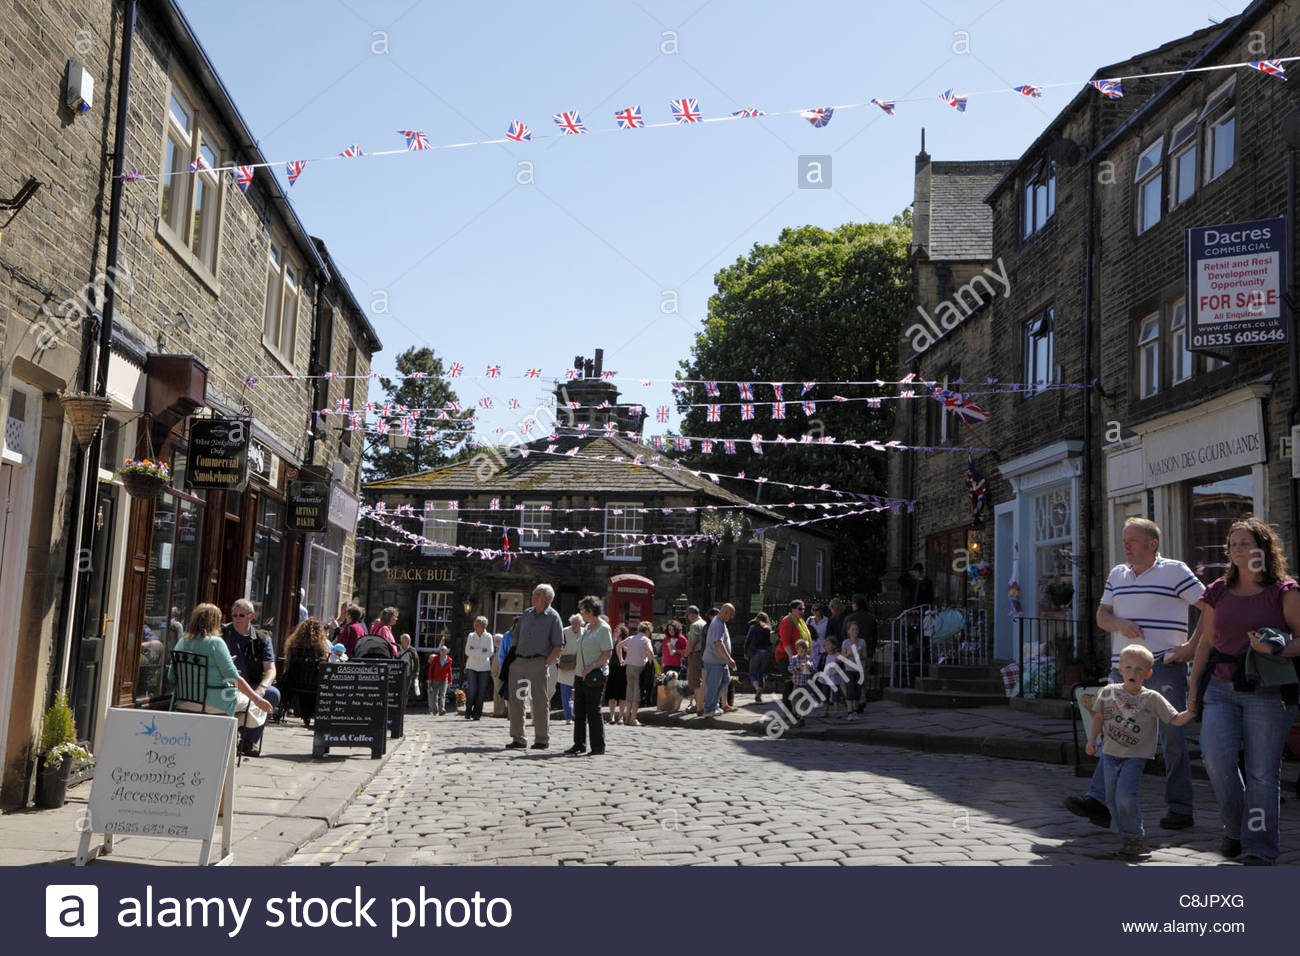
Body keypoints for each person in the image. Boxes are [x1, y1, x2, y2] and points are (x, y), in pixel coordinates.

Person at [1065, 517, 1208, 833]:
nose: (1125, 546)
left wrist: (1191, 647)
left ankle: (1180, 809)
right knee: (1117, 737)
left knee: (1172, 739)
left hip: (1163, 667)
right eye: (1124, 540)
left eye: (1132, 540)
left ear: (1152, 544)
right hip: (1122, 670)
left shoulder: (1175, 571)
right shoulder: (1118, 574)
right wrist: (1119, 625)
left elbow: (1210, 608)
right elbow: (1102, 615)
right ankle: (1099, 801)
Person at [1188, 517, 1300, 865]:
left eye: (1246, 544)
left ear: (1263, 550)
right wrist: (1193, 693)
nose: (1238, 550)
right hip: (1220, 688)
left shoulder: (1284, 590)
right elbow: (1205, 643)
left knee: (1262, 772)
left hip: (1266, 690)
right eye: (1233, 544)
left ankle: (1258, 847)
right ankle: (1237, 828)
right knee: (1216, 758)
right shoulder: (1218, 589)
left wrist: (1275, 649)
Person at [1087, 644, 1196, 861]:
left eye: (1139, 669)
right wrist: (1092, 741)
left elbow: (1174, 719)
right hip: (1110, 754)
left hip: (1135, 757)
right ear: (1120, 669)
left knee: (1126, 796)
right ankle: (1127, 837)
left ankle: (1135, 837)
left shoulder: (1153, 698)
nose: (1133, 673)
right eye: (1128, 668)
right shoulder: (1109, 693)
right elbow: (1098, 718)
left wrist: (1192, 710)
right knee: (1111, 799)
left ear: (1148, 673)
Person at [173, 603, 272, 719]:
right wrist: (258, 699)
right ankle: (237, 735)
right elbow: (234, 678)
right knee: (255, 707)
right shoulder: (215, 642)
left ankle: (229, 733)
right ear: (215, 622)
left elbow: (171, 676)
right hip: (215, 702)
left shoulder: (182, 642)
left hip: (184, 702)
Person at [506, 584, 565, 750]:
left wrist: (545, 664)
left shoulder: (554, 617)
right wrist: (513, 658)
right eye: (533, 594)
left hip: (538, 662)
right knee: (515, 700)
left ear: (547, 599)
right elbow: (516, 637)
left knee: (539, 702)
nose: (533, 597)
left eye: (537, 594)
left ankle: (541, 739)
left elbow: (558, 645)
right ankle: (518, 738)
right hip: (519, 662)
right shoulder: (526, 614)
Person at [220, 598, 279, 756]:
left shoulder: (262, 639)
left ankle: (247, 742)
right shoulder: (222, 634)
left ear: (251, 616)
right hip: (226, 684)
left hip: (251, 685)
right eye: (234, 615)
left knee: (272, 694)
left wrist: (262, 687)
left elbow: (271, 669)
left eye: (241, 615)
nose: (236, 619)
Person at [566, 595, 614, 756]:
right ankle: (579, 744)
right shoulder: (586, 628)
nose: (581, 613)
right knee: (579, 711)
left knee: (594, 711)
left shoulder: (603, 628)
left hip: (594, 675)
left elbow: (607, 653)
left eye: (583, 610)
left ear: (591, 611)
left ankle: (598, 746)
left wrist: (592, 667)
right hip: (580, 674)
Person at [282, 617, 330, 723]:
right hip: (314, 685)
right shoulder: (320, 650)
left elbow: (288, 663)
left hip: (294, 682)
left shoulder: (294, 646)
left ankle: (288, 708)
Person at [618, 621, 655, 726]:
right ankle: (633, 719)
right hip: (639, 669)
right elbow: (651, 652)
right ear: (647, 631)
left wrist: (622, 659)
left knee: (629, 693)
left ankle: (626, 718)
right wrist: (650, 663)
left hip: (629, 668)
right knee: (637, 694)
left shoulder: (631, 638)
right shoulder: (645, 640)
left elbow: (618, 646)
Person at [702, 603, 737, 716]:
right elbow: (718, 643)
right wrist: (729, 659)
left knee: (725, 681)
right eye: (730, 614)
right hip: (714, 661)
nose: (731, 617)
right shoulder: (718, 624)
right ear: (725, 612)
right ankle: (709, 709)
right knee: (713, 685)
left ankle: (714, 705)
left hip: (719, 661)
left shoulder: (720, 622)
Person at [776, 600, 810, 708]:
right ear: (793, 609)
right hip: (786, 656)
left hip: (799, 657)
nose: (802, 611)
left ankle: (796, 708)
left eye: (803, 609)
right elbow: (785, 642)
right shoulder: (787, 621)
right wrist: (792, 659)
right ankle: (789, 709)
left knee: (797, 683)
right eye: (800, 609)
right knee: (789, 683)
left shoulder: (800, 621)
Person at [463, 615, 495, 721]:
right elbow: (467, 651)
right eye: (475, 625)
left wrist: (475, 651)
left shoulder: (488, 637)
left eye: (477, 625)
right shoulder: (471, 636)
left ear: (483, 626)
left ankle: (477, 713)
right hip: (471, 666)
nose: (475, 627)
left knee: (481, 692)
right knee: (472, 690)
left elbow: (490, 652)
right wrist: (481, 651)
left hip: (484, 668)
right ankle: (468, 710)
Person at [556, 614, 583, 724]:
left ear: (581, 624)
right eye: (572, 623)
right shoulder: (564, 631)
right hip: (566, 665)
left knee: (580, 693)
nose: (574, 626)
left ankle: (576, 714)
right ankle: (568, 717)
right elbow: (558, 646)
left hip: (580, 666)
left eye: (576, 623)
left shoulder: (585, 632)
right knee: (565, 694)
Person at [744, 612, 773, 701]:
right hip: (766, 652)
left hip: (755, 652)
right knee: (761, 674)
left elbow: (748, 640)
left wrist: (745, 651)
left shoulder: (753, 627)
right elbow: (770, 642)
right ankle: (760, 693)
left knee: (752, 673)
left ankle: (757, 689)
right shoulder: (768, 629)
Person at [840, 621, 866, 720]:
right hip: (849, 669)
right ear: (848, 631)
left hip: (859, 670)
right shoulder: (846, 642)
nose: (855, 631)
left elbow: (865, 656)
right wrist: (849, 653)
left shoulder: (862, 642)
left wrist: (860, 654)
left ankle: (855, 711)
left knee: (857, 691)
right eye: (853, 629)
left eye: (857, 629)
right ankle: (849, 712)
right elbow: (842, 657)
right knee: (850, 690)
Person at [683, 606, 706, 713]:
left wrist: (685, 655)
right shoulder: (705, 623)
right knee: (703, 680)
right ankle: (703, 704)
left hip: (696, 655)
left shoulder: (695, 625)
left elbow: (691, 643)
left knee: (695, 681)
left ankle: (698, 706)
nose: (688, 618)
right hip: (705, 654)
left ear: (692, 614)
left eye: (688, 615)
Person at [605, 624, 629, 724]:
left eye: (617, 630)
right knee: (612, 695)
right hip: (613, 669)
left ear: (622, 632)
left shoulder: (626, 642)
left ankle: (620, 717)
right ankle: (612, 717)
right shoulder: (612, 642)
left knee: (622, 695)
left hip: (623, 670)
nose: (615, 630)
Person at [788, 639, 814, 727]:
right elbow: (790, 669)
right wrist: (798, 667)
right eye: (801, 651)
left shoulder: (809, 658)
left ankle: (802, 718)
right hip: (797, 683)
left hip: (806, 684)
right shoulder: (794, 658)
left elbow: (815, 670)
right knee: (795, 700)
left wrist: (810, 667)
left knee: (805, 701)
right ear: (798, 650)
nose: (804, 653)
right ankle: (797, 713)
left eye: (805, 651)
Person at [427, 645, 454, 715]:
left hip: (444, 679)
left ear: (446, 652)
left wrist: (450, 680)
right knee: (434, 695)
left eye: (444, 651)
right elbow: (431, 669)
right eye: (441, 651)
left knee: (443, 695)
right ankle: (435, 710)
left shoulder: (449, 660)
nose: (443, 652)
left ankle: (442, 709)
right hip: (435, 679)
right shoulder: (436, 659)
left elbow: (449, 670)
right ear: (440, 652)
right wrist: (430, 679)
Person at [397, 633, 420, 702]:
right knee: (398, 690)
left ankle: (403, 707)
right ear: (402, 641)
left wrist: (416, 674)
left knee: (405, 691)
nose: (408, 641)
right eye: (406, 640)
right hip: (398, 674)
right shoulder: (398, 649)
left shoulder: (412, 650)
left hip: (408, 674)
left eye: (409, 640)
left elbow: (417, 662)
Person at [491, 632, 506, 717]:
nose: (494, 642)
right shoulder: (498, 650)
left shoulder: (502, 650)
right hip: (495, 675)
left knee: (500, 693)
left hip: (498, 675)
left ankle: (501, 712)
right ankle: (497, 711)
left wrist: (498, 674)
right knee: (496, 694)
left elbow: (501, 664)